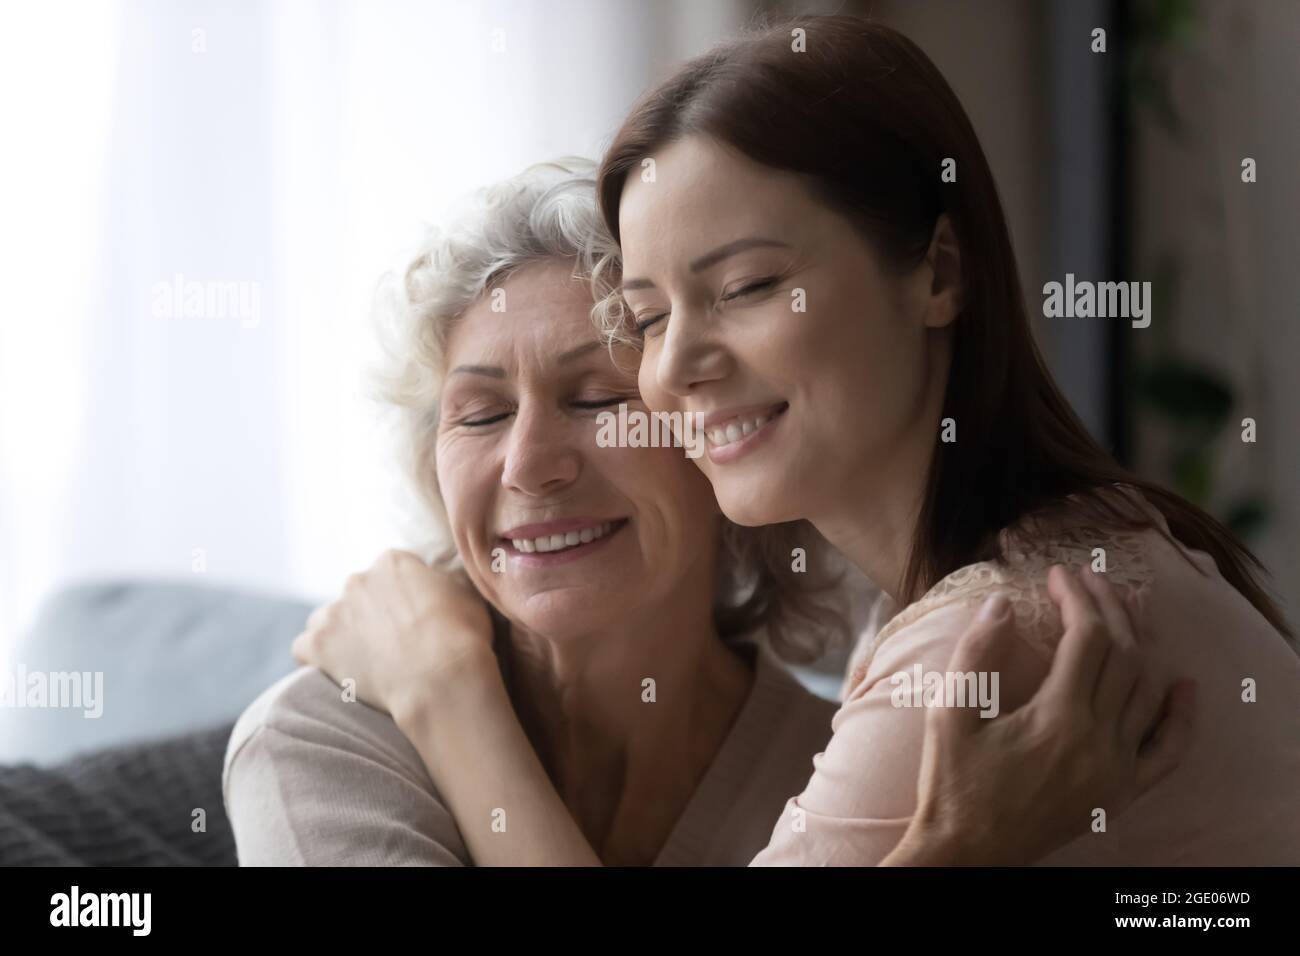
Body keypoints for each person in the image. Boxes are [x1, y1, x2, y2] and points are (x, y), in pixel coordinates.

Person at [246, 158, 1192, 867]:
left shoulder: (862, 762)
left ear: (722, 438)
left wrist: (453, 699)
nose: (529, 465)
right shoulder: (327, 743)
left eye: (599, 400)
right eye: (481, 414)